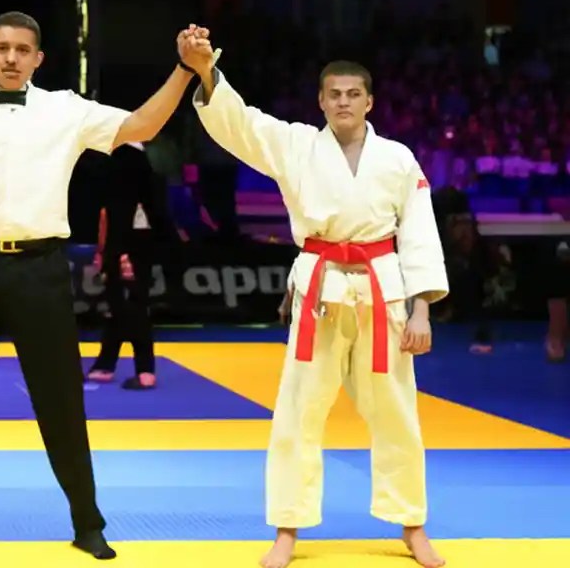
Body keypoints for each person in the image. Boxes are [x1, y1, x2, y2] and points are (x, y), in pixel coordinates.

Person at [0, 11, 203, 561]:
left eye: (23, 50)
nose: (12, 58)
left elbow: (141, 125)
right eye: (2, 48)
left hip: (40, 271)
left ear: (38, 58)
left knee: (62, 404)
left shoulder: (66, 110)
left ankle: (87, 522)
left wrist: (185, 72)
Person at [183, 30, 448, 568]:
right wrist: (205, 72)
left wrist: (422, 309)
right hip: (320, 290)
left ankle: (413, 524)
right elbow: (243, 125)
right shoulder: (298, 145)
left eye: (354, 93)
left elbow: (420, 232)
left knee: (397, 412)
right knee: (298, 413)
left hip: (384, 291)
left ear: (369, 101)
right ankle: (287, 529)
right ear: (321, 101)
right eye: (334, 94)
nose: (344, 102)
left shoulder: (398, 159)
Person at [86, 142, 162, 388]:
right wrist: (103, 250)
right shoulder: (140, 171)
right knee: (118, 305)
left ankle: (145, 370)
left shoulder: (125, 167)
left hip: (128, 245)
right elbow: (107, 213)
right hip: (130, 244)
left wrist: (118, 253)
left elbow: (115, 214)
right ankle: (106, 364)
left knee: (131, 307)